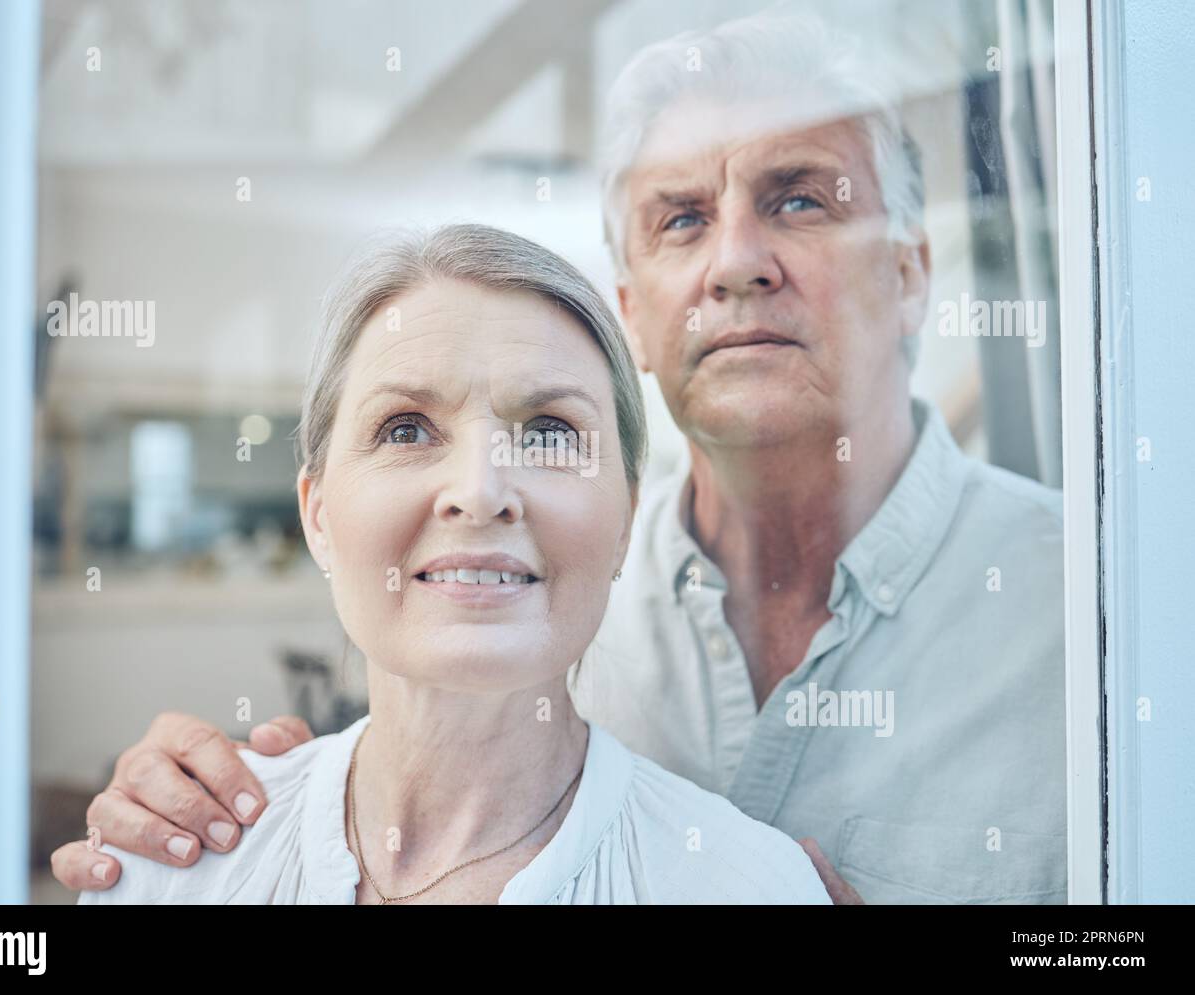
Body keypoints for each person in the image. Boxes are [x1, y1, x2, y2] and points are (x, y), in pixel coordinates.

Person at [56, 12, 1066, 905]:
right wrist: (210, 814)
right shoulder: (529, 595)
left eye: (799, 198)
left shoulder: (1090, 619)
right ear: (632, 313)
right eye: (680, 219)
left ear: (907, 272)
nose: (733, 262)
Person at [76, 223, 831, 904]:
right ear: (318, 515)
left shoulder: (746, 885)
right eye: (406, 429)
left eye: (549, 432)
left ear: (626, 519)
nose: (479, 491)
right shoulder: (169, 865)